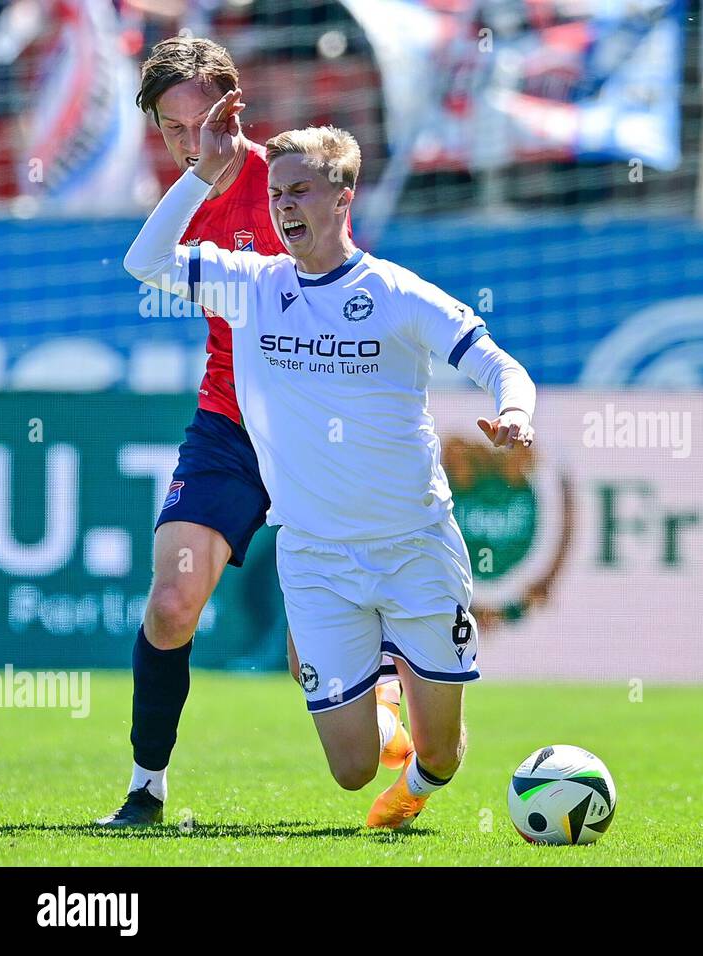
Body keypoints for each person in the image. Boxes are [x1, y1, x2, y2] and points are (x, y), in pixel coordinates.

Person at [124, 89, 536, 826]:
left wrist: (514, 413)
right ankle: (375, 687)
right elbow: (145, 259)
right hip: (316, 556)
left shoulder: (395, 293)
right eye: (277, 192)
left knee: (441, 755)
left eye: (302, 191)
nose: (284, 206)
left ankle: (416, 786)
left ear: (343, 197)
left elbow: (502, 365)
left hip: (415, 547)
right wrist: (203, 169)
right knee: (349, 774)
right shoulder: (251, 286)